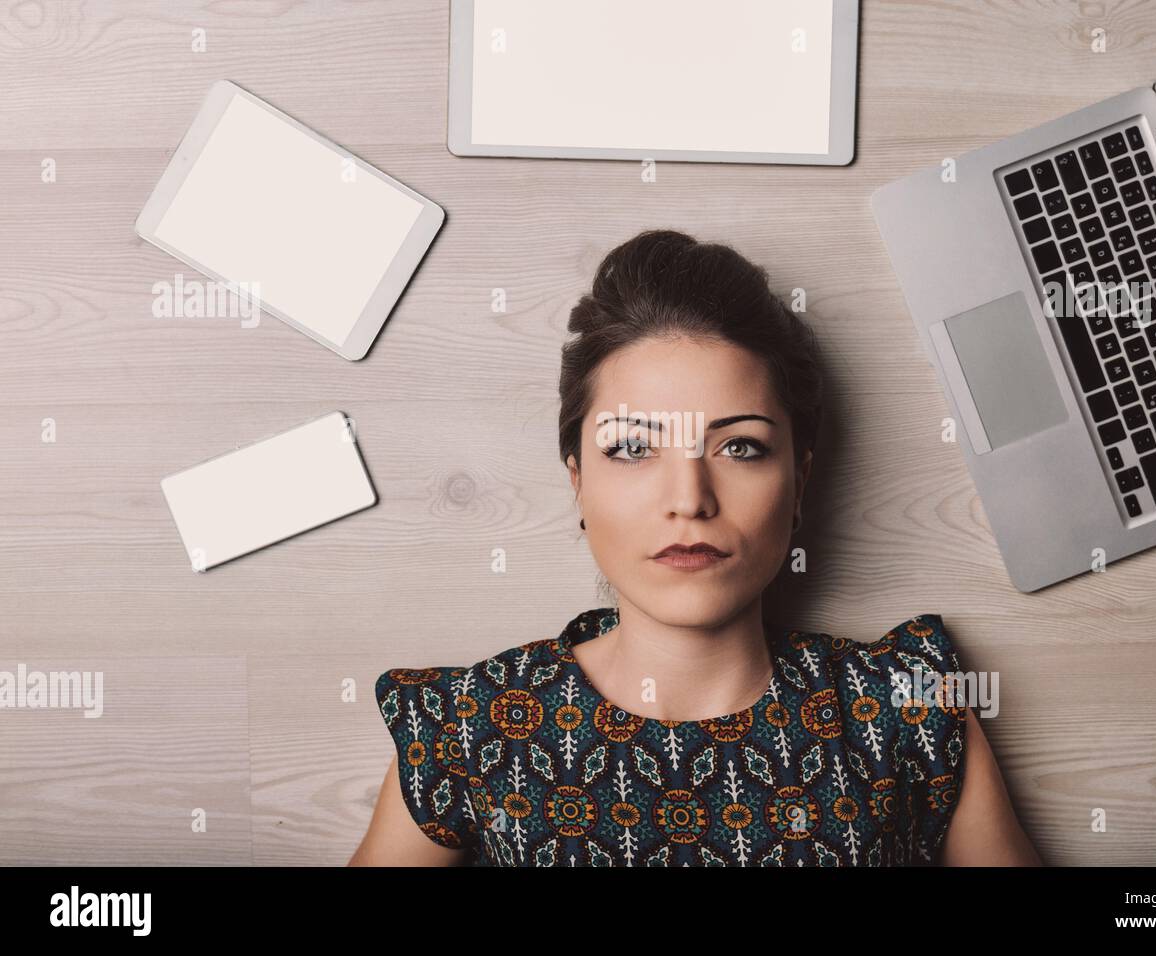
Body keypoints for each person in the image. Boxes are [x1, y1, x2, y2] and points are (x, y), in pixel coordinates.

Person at [350, 229, 1041, 866]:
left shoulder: (909, 709)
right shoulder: (470, 727)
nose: (689, 498)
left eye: (739, 446)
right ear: (578, 482)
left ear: (798, 483)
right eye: (633, 448)